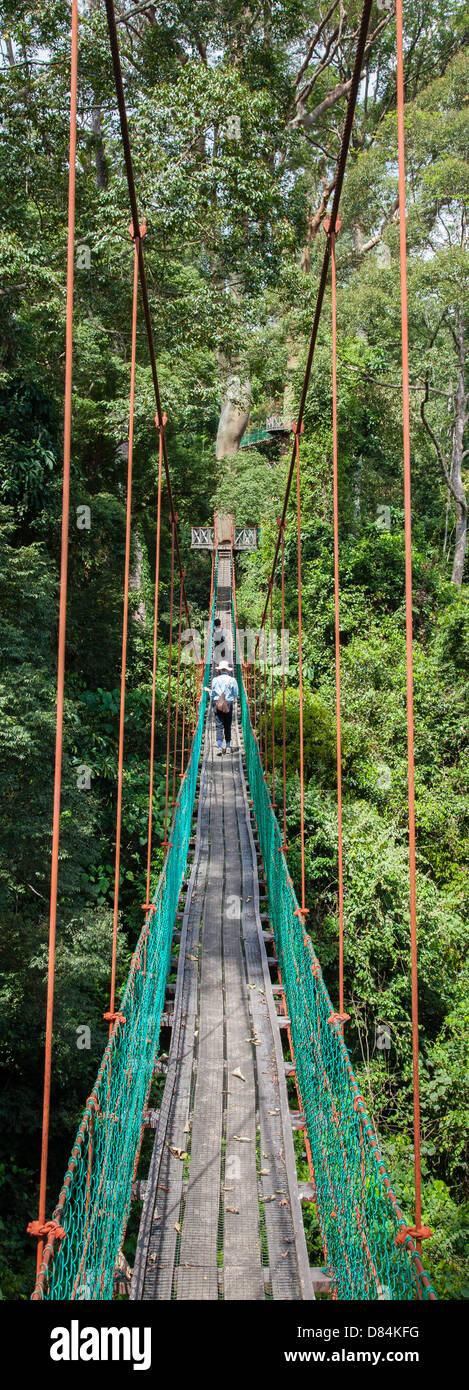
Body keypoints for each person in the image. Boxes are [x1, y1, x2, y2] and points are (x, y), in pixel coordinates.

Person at [209, 659, 239, 755]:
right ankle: (228, 746)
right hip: (228, 703)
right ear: (227, 670)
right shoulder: (232, 680)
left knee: (219, 725)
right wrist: (230, 697)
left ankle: (219, 747)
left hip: (217, 703)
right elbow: (236, 693)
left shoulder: (215, 680)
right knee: (228, 725)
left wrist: (210, 693)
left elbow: (212, 693)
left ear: (220, 670)